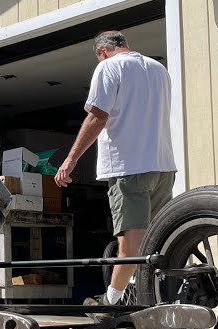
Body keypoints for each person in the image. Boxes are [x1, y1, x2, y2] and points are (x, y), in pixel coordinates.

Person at [54, 30, 176, 307]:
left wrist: (70, 159)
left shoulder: (109, 66)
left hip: (128, 167)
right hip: (162, 165)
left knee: (130, 244)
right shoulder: (158, 69)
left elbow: (98, 116)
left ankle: (111, 302)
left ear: (101, 51)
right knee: (157, 240)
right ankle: (159, 297)